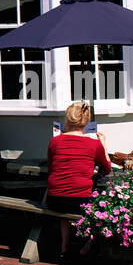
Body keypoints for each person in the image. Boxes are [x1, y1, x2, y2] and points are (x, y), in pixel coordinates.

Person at [46, 100, 111, 251]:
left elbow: (51, 168)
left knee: (64, 210)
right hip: (79, 200)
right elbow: (106, 169)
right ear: (86, 123)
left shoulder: (55, 141)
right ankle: (86, 247)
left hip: (54, 199)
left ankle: (64, 246)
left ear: (67, 120)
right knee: (105, 209)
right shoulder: (93, 144)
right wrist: (103, 144)